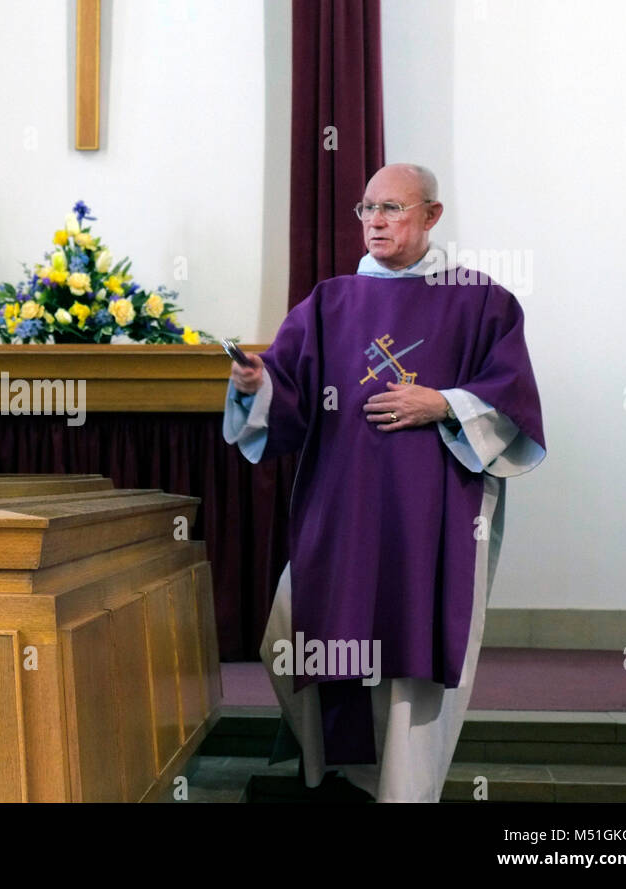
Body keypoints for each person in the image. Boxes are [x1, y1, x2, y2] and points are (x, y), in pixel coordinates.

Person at [223, 163, 545, 803]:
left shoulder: (482, 301)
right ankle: (338, 776)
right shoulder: (329, 301)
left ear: (432, 215)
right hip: (340, 514)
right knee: (296, 632)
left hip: (434, 519)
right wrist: (255, 387)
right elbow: (285, 395)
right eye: (366, 208)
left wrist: (444, 404)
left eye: (392, 209)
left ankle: (403, 791)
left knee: (411, 651)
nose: (374, 221)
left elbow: (513, 402)